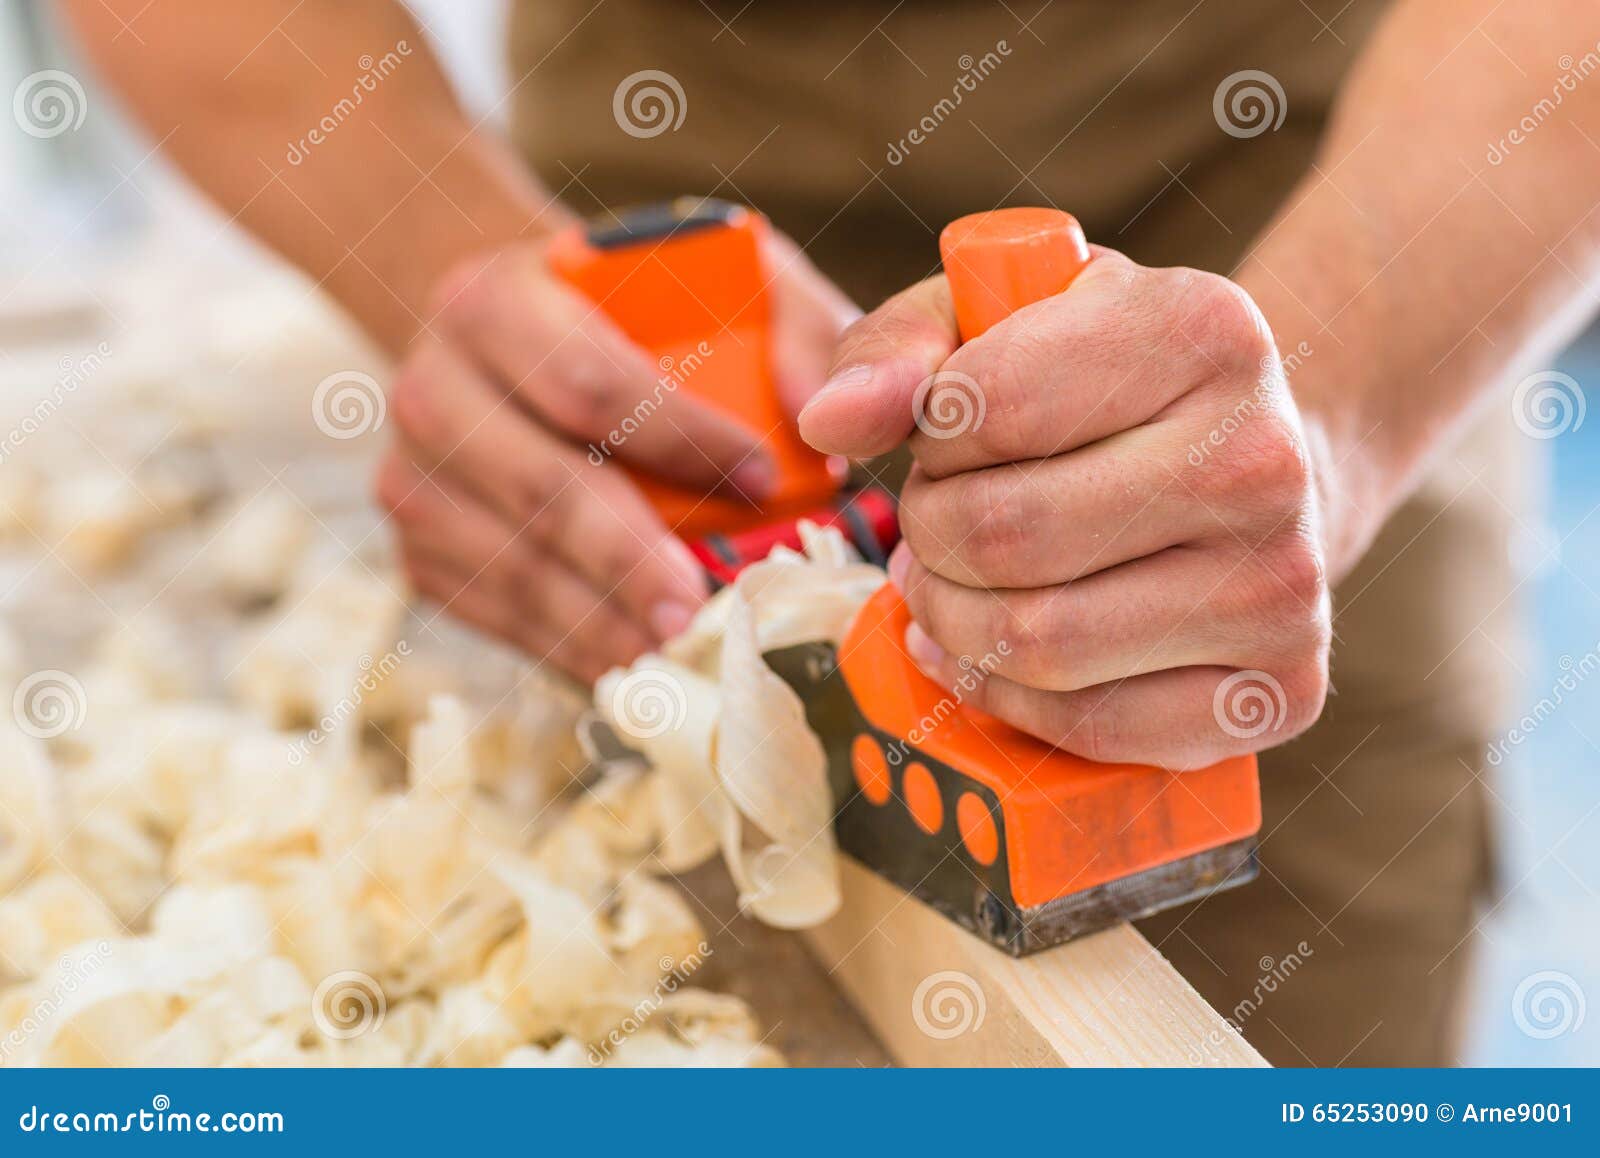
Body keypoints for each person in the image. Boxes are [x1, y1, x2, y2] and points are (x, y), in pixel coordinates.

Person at [64, 0, 1600, 1065]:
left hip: (1354, 222)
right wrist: (442, 262)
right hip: (660, 250)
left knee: (1248, 1015)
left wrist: (1324, 404)